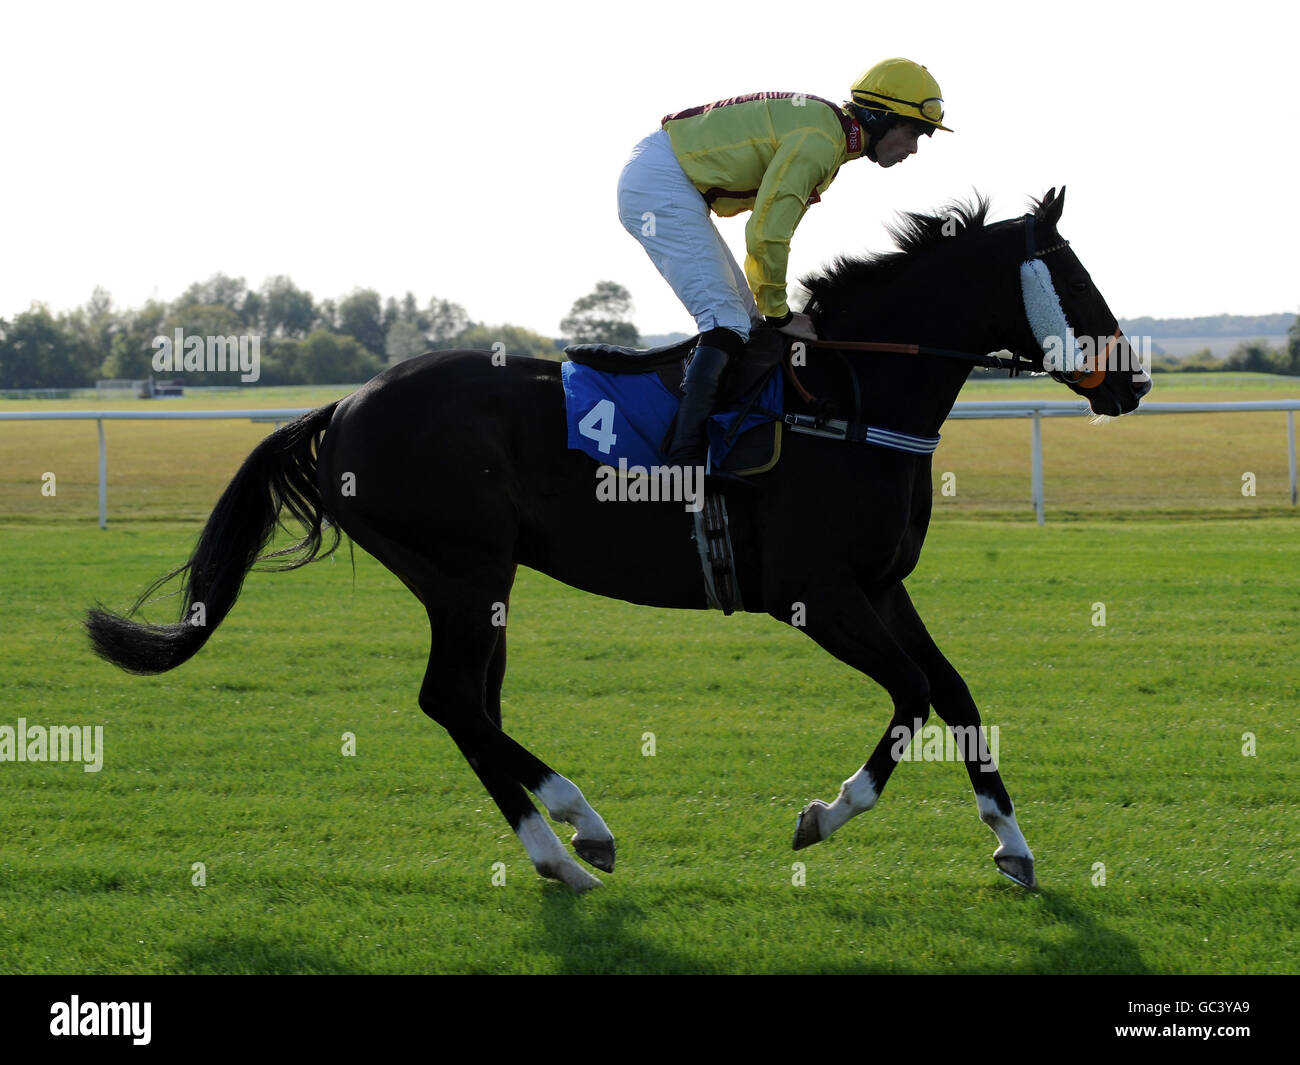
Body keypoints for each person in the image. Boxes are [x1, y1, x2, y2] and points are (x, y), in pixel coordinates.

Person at [617, 57, 952, 472]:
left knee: (743, 319)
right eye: (913, 131)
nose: (914, 148)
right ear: (880, 117)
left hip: (667, 178)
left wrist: (768, 312)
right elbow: (766, 234)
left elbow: (766, 231)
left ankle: (725, 439)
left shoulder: (827, 133)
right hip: (661, 182)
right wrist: (779, 314)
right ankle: (682, 458)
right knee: (726, 321)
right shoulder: (821, 140)